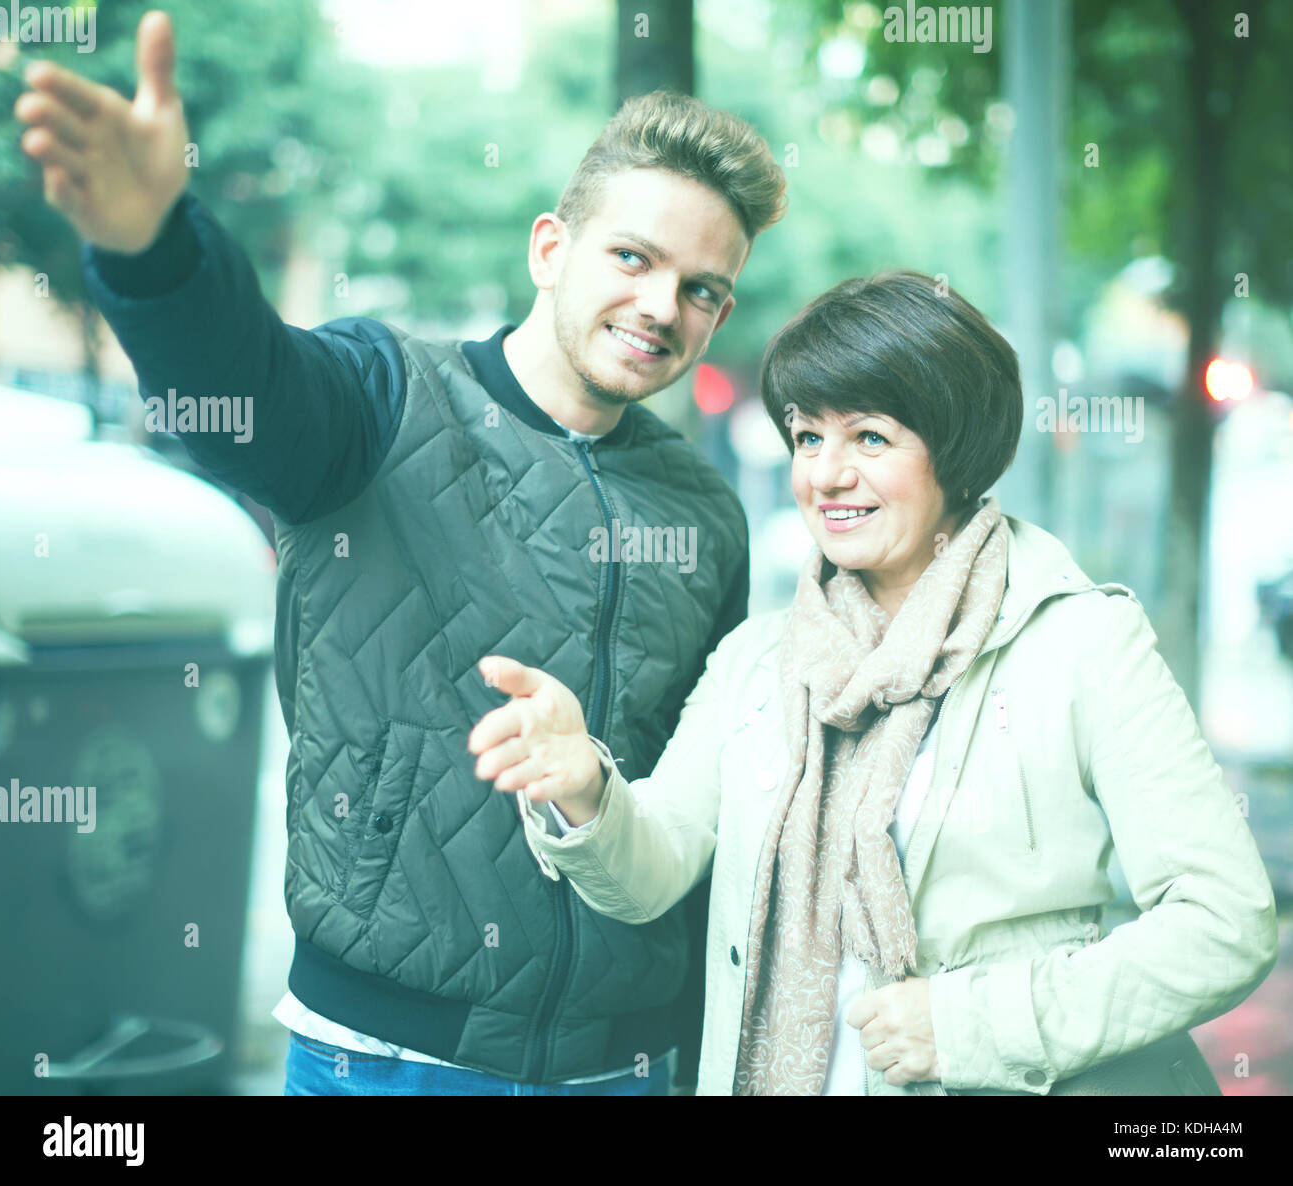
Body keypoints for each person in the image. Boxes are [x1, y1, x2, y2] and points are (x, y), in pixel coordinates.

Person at [13, 10, 788, 1094]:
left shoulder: (706, 511)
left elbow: (700, 812)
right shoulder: (381, 396)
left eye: (701, 288)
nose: (662, 305)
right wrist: (157, 252)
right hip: (384, 1057)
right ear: (550, 248)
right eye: (632, 257)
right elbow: (240, 392)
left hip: (622, 1067)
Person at [469, 269, 1280, 1096]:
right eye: (808, 437)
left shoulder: (1081, 643)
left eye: (870, 438)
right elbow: (653, 872)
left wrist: (972, 1026)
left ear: (955, 448)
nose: (824, 475)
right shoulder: (760, 657)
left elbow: (1224, 924)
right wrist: (584, 789)